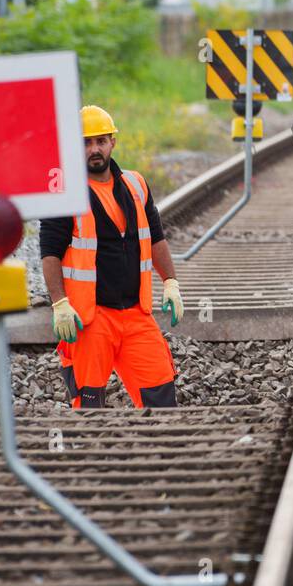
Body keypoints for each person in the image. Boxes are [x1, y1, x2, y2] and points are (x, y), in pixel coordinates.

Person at [39, 106, 184, 408]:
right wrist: (60, 303)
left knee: (161, 397)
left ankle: (158, 451)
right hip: (92, 319)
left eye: (101, 141)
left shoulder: (135, 185)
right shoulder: (65, 193)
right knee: (89, 405)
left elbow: (156, 237)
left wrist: (170, 282)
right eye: (85, 142)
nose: (94, 149)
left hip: (135, 314)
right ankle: (90, 453)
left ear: (112, 143)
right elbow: (50, 251)